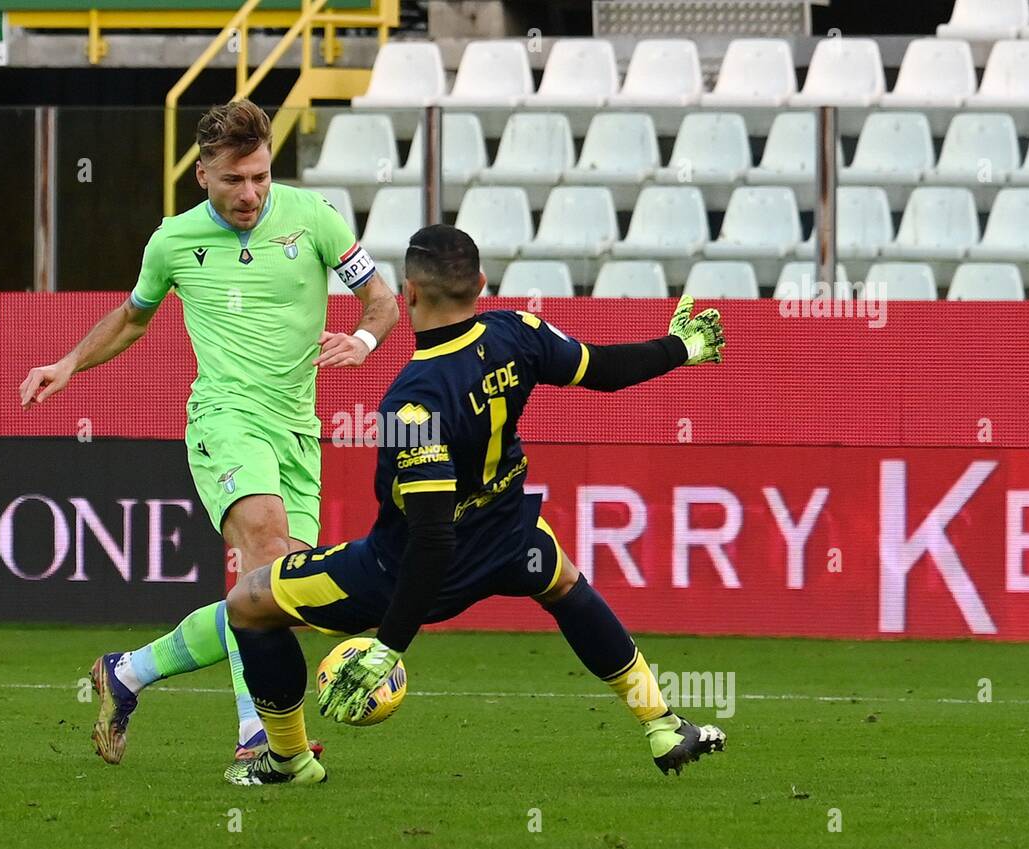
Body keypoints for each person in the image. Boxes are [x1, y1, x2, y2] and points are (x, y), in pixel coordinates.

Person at [224, 224, 727, 785]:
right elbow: (605, 371)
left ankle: (289, 760)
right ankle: (661, 723)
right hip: (509, 538)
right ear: (482, 284)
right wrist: (685, 347)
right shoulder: (519, 332)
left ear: (408, 292)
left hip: (404, 572)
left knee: (248, 602)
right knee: (562, 583)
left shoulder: (412, 403)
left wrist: (388, 645)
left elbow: (433, 536)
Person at [17, 100, 399, 766]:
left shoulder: (314, 218)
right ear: (202, 174)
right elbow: (133, 319)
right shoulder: (172, 241)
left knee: (277, 599)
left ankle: (127, 671)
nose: (250, 193)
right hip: (224, 419)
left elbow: (383, 300)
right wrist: (69, 362)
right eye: (234, 180)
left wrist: (365, 340)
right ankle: (259, 735)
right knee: (266, 553)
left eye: (260, 176)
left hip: (297, 431)